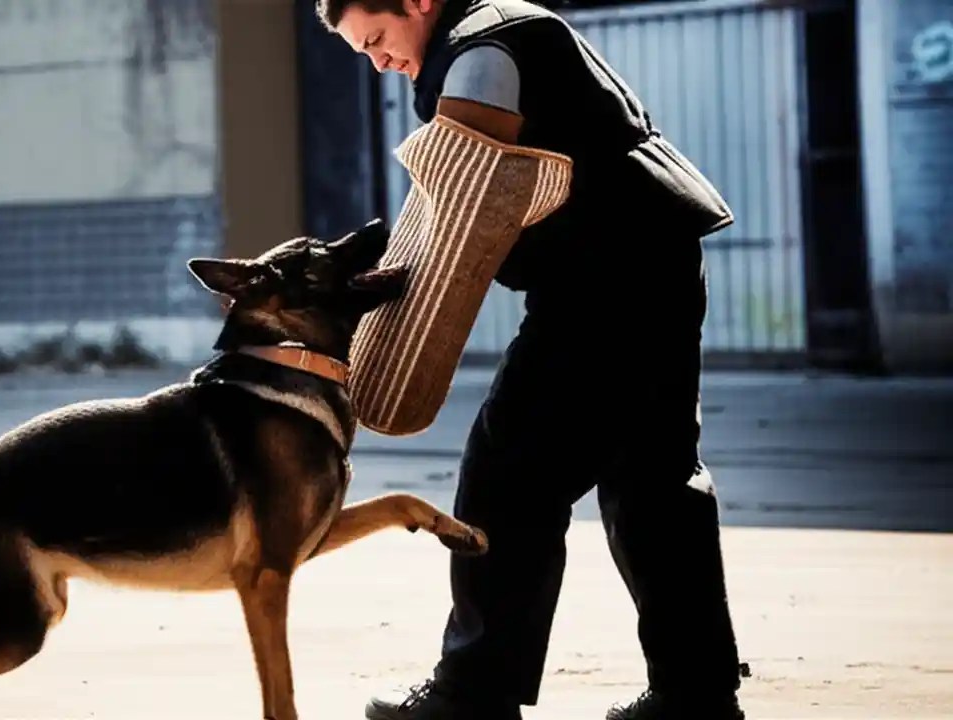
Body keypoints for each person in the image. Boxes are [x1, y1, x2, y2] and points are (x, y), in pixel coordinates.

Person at [314, 1, 747, 719]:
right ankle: (695, 697)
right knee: (653, 483)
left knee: (506, 480)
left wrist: (389, 318)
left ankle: (474, 696)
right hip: (656, 261)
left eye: (379, 39)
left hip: (607, 285)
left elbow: (460, 215)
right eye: (363, 51)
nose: (378, 60)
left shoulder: (485, 51)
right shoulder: (499, 34)